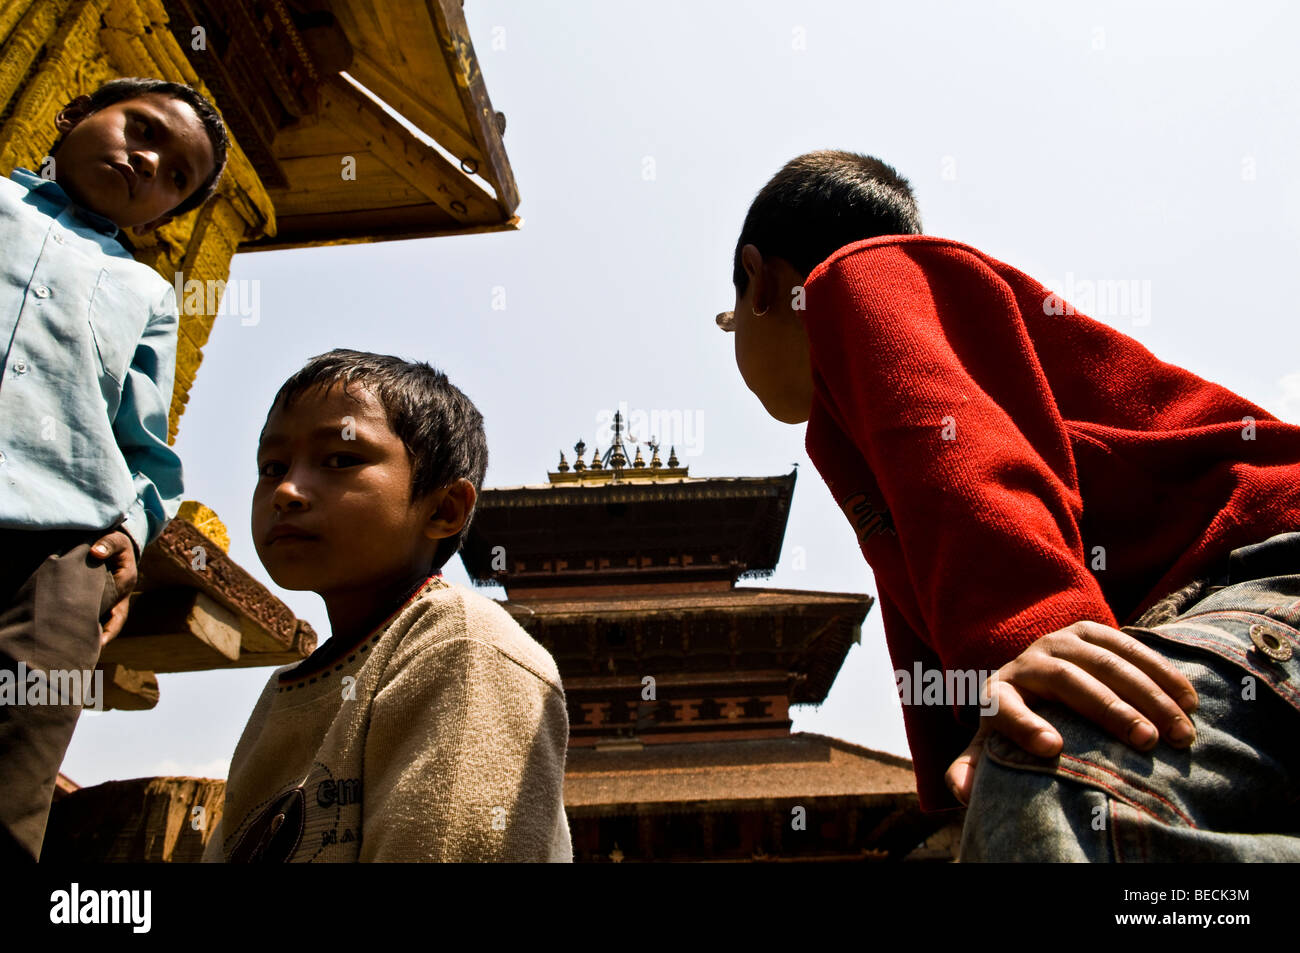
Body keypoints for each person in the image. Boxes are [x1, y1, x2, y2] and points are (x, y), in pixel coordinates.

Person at [718, 150, 1300, 861]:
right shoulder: (848, 437)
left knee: (1049, 788)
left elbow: (959, 446)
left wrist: (1028, 630)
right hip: (1221, 628)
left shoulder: (865, 274)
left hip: (1263, 567)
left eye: (726, 321)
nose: (731, 338)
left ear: (760, 280)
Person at [203, 350, 572, 862]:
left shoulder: (464, 649)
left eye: (340, 459)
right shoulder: (283, 691)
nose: (286, 490)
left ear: (444, 508)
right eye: (272, 466)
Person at [0, 77, 227, 862]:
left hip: (60, 554)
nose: (149, 163)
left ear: (165, 214)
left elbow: (145, 446)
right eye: (142, 130)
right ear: (71, 116)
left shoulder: (149, 294)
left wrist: (133, 531)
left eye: (175, 178)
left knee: (17, 771)